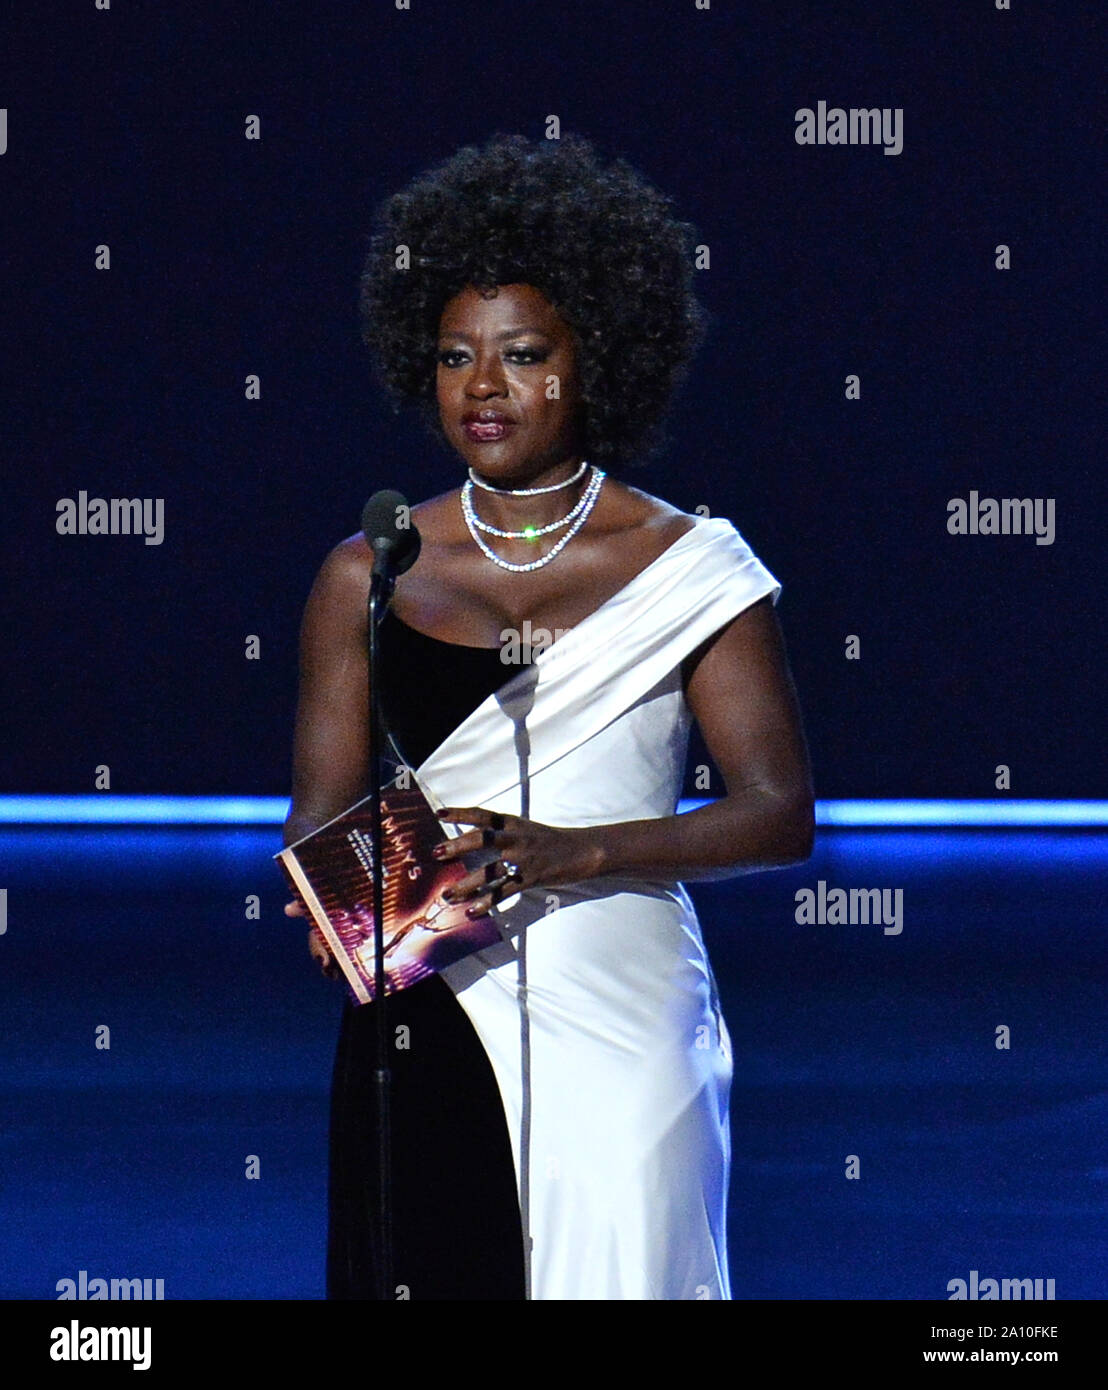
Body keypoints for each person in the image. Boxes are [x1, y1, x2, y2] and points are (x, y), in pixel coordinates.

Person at [282, 132, 814, 1301]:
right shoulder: (367, 570)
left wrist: (576, 852)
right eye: (454, 356)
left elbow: (778, 815)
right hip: (424, 1007)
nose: (482, 386)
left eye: (523, 354)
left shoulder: (693, 568)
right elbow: (318, 819)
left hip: (621, 1009)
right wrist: (338, 903)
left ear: (597, 360)